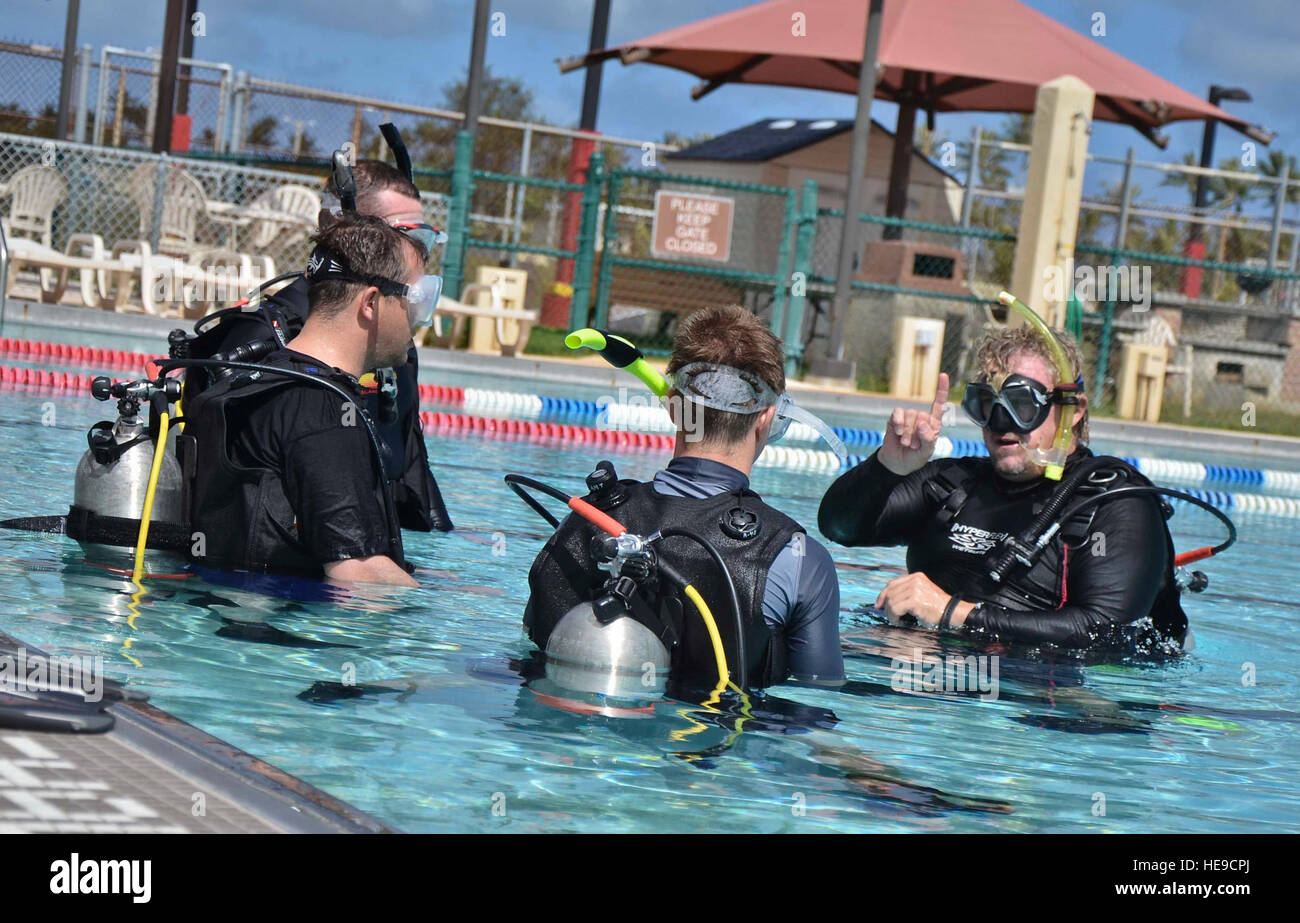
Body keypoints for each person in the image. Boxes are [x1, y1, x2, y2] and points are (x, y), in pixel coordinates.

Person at [524, 305, 845, 690]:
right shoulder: (798, 560)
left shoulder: (586, 520)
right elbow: (814, 711)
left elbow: (531, 659)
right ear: (767, 420)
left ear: (673, 406)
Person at [818, 323, 1188, 651]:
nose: (999, 422)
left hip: (1035, 702)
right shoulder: (953, 484)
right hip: (928, 679)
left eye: (1021, 404)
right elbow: (840, 526)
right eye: (985, 404)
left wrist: (952, 613)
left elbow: (1106, 635)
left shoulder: (1112, 504)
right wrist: (887, 468)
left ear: (1073, 411)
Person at [199, 157, 451, 533]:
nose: (416, 255)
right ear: (334, 227)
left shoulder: (393, 344)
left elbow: (412, 471)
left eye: (422, 240)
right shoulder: (260, 341)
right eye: (400, 236)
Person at [186, 214, 437, 585]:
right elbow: (357, 574)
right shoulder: (325, 409)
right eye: (414, 299)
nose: (419, 318)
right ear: (371, 304)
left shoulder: (266, 379)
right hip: (288, 638)